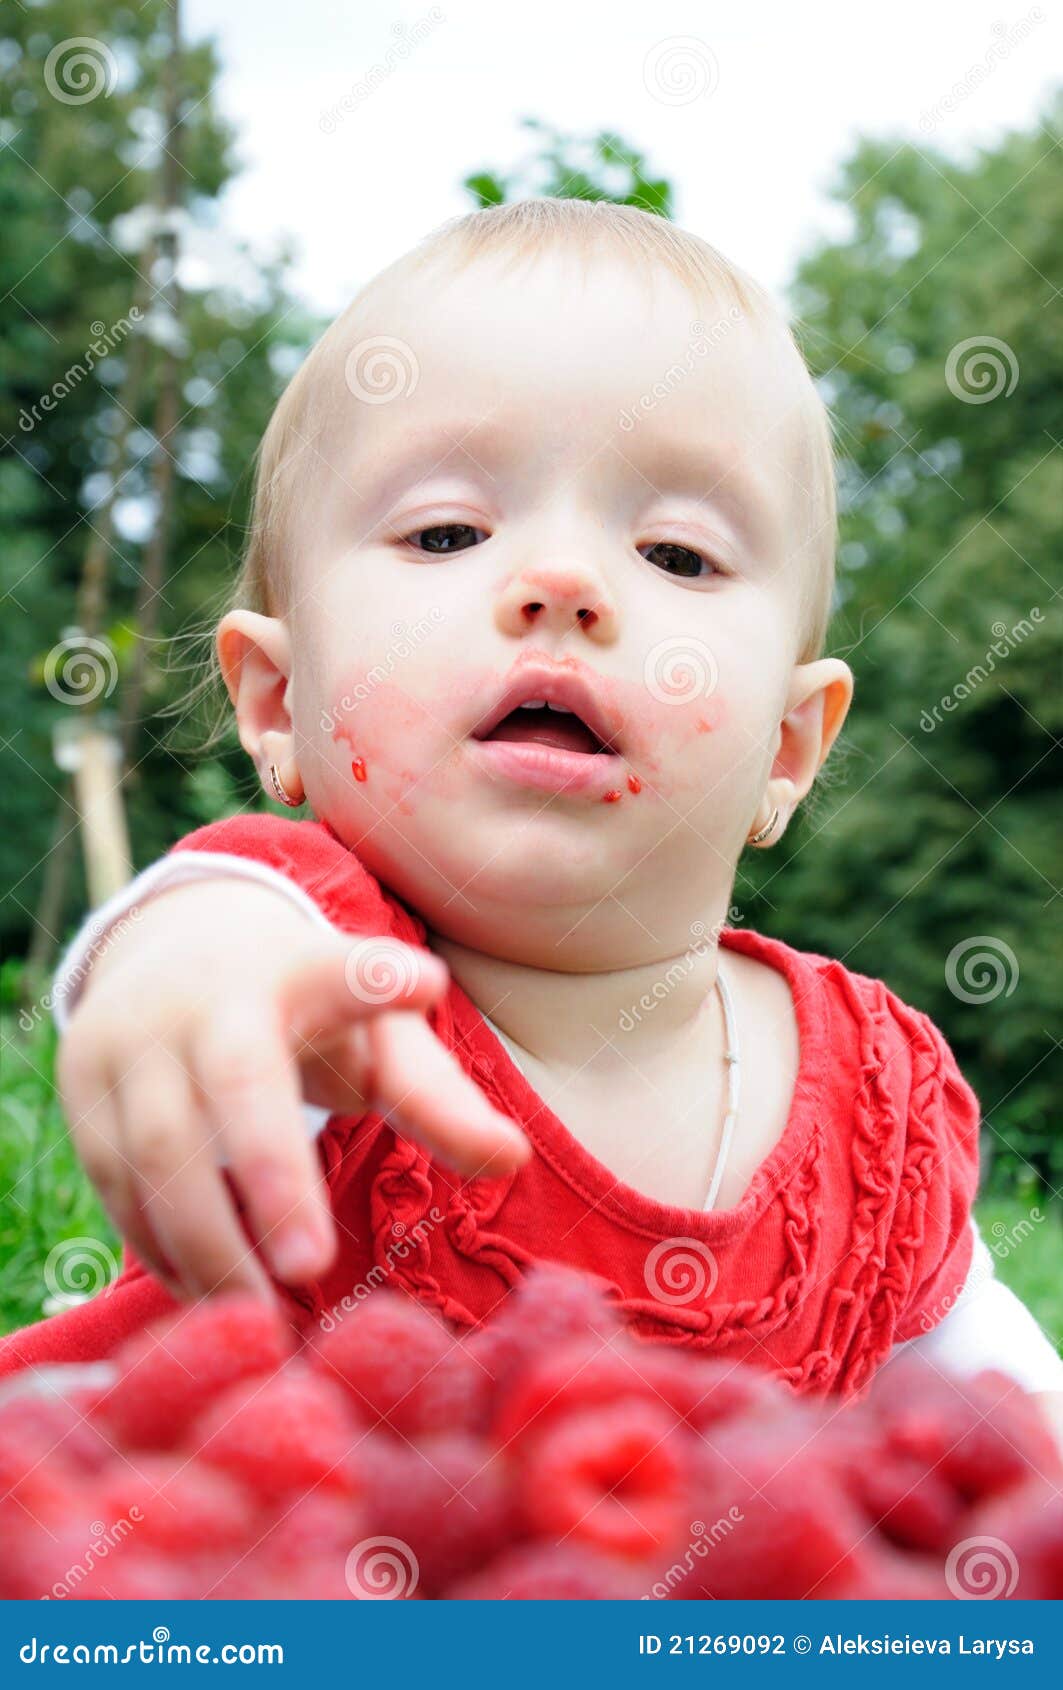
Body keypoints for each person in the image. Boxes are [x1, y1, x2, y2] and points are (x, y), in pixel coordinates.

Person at [5, 200, 1061, 1432]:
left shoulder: (877, 1108)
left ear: (787, 746)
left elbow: (1008, 1415)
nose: (560, 583)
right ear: (281, 701)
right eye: (446, 531)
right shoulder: (322, 962)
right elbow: (203, 939)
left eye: (677, 554)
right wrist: (183, 985)